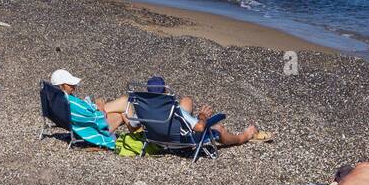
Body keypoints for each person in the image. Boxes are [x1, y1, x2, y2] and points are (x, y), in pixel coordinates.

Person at [108, 75, 268, 146]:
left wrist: (124, 113)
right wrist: (203, 116)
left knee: (187, 105)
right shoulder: (172, 108)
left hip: (155, 138)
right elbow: (199, 127)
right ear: (165, 92)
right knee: (218, 128)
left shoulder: (143, 109)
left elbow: (134, 126)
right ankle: (245, 136)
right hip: (179, 141)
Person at [48, 69, 118, 148]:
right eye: (70, 85)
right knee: (122, 111)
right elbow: (94, 118)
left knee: (124, 105)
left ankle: (133, 138)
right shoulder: (70, 102)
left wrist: (95, 106)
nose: (74, 87)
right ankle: (132, 140)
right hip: (89, 128)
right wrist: (102, 109)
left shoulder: (56, 99)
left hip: (76, 123)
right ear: (61, 86)